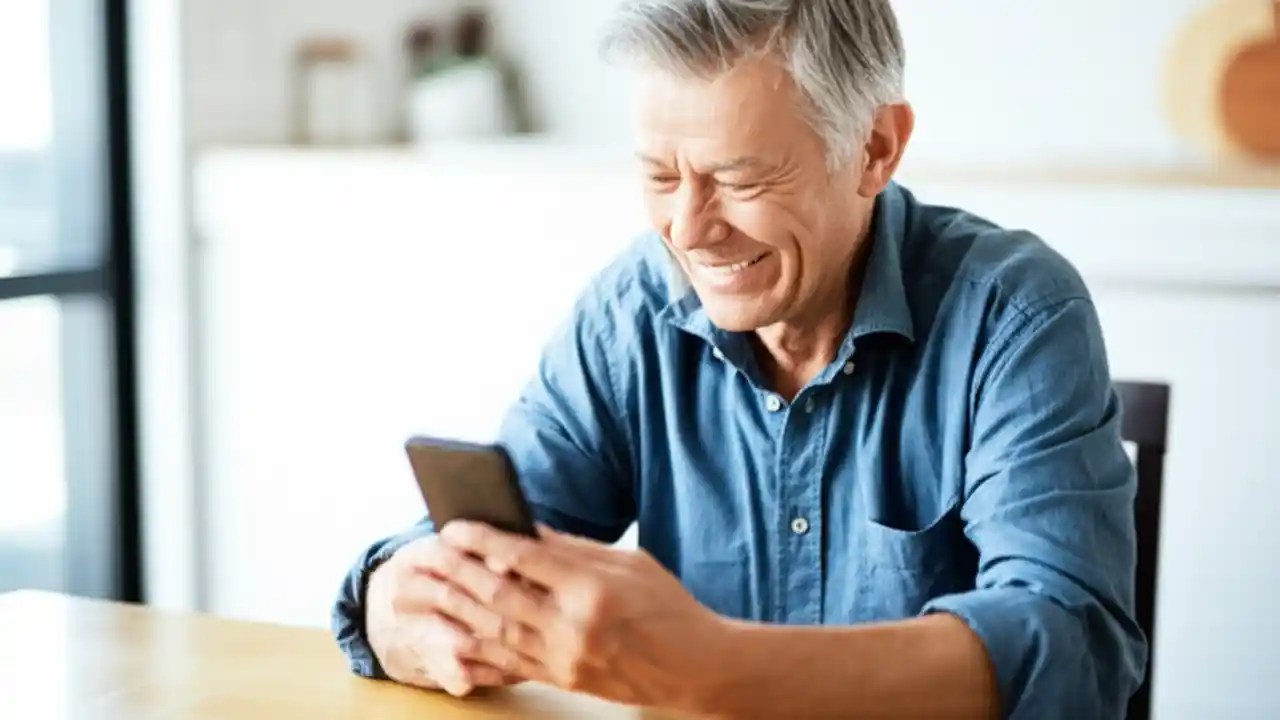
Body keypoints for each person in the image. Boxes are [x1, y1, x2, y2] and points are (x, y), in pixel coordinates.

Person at [331, 1, 1147, 717]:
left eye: (740, 178)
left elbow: (1073, 649)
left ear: (875, 147)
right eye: (659, 174)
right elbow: (485, 544)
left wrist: (711, 667)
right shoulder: (633, 312)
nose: (689, 229)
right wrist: (400, 604)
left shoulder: (1016, 314)